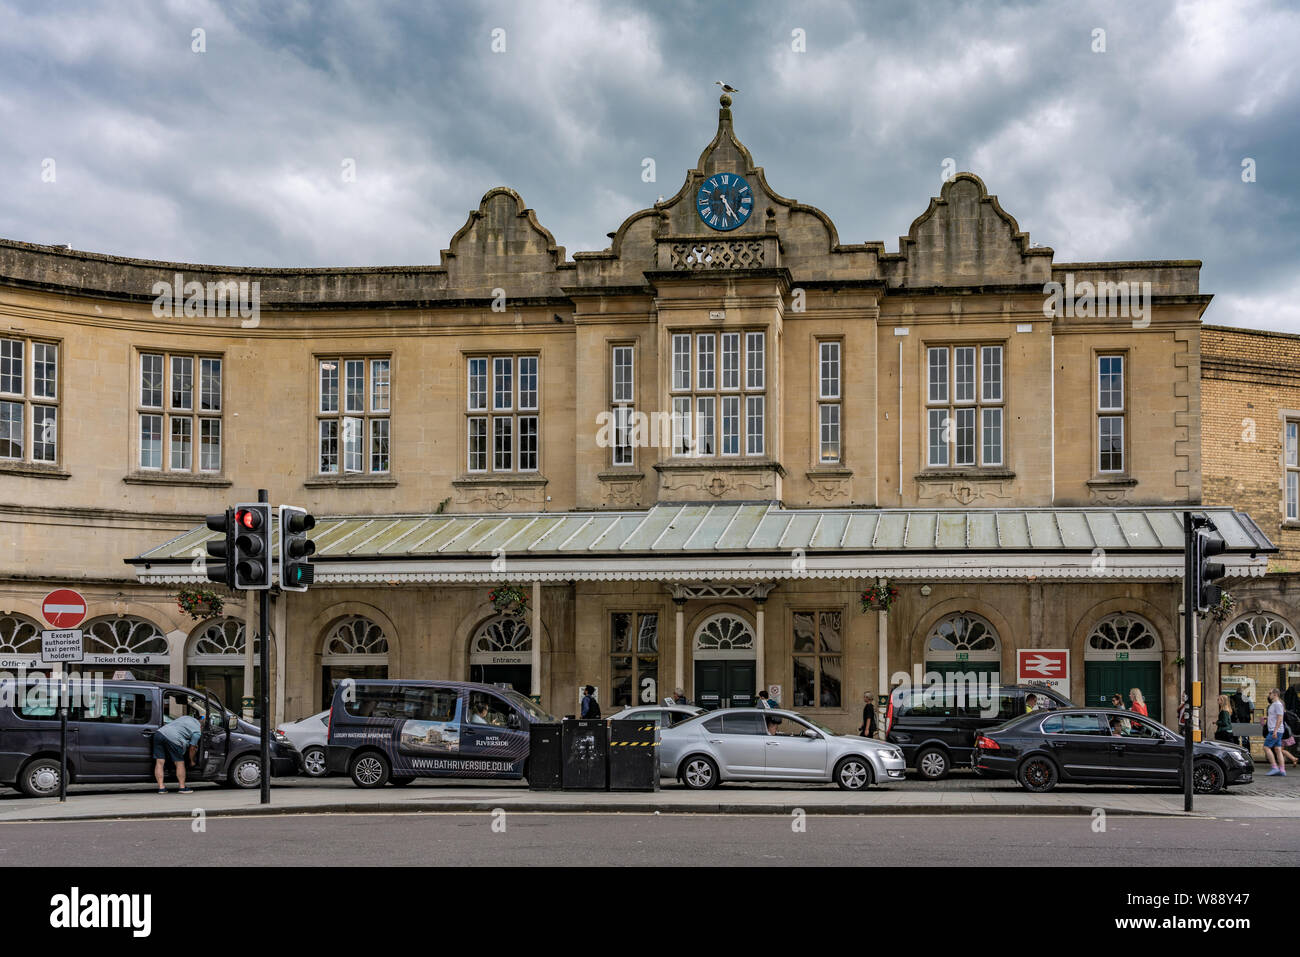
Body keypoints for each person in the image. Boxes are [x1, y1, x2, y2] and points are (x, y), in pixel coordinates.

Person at [154, 710, 203, 794]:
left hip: (159, 733)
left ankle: (161, 788)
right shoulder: (197, 732)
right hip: (173, 738)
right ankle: (182, 787)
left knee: (159, 762)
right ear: (201, 725)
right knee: (179, 763)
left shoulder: (186, 717)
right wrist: (192, 761)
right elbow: (192, 748)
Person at [1264, 687, 1287, 776]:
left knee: (1266, 747)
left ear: (1275, 694)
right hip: (1276, 730)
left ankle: (1274, 767)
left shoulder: (1277, 704)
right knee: (1277, 749)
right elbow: (1275, 717)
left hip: (1275, 730)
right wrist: (1266, 718)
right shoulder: (1274, 705)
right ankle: (1282, 770)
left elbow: (1280, 718)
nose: (1269, 695)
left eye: (1270, 693)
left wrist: (1275, 731)